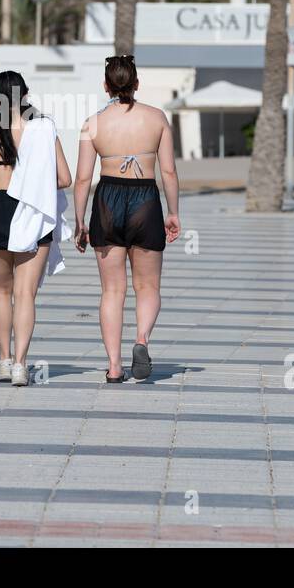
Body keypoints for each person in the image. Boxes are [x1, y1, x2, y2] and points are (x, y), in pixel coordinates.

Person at [73, 55, 181, 383]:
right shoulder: (157, 118)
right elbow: (168, 171)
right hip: (145, 199)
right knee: (147, 285)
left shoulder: (93, 123)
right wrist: (173, 212)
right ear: (137, 83)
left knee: (112, 291)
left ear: (106, 85)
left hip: (107, 199)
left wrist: (79, 221)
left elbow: (82, 179)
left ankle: (114, 366)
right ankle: (142, 340)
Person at [0, 71, 72, 386]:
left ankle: (3, 360)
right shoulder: (43, 129)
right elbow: (65, 179)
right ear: (26, 93)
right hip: (31, 208)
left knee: (1, 291)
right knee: (25, 293)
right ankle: (20, 364)